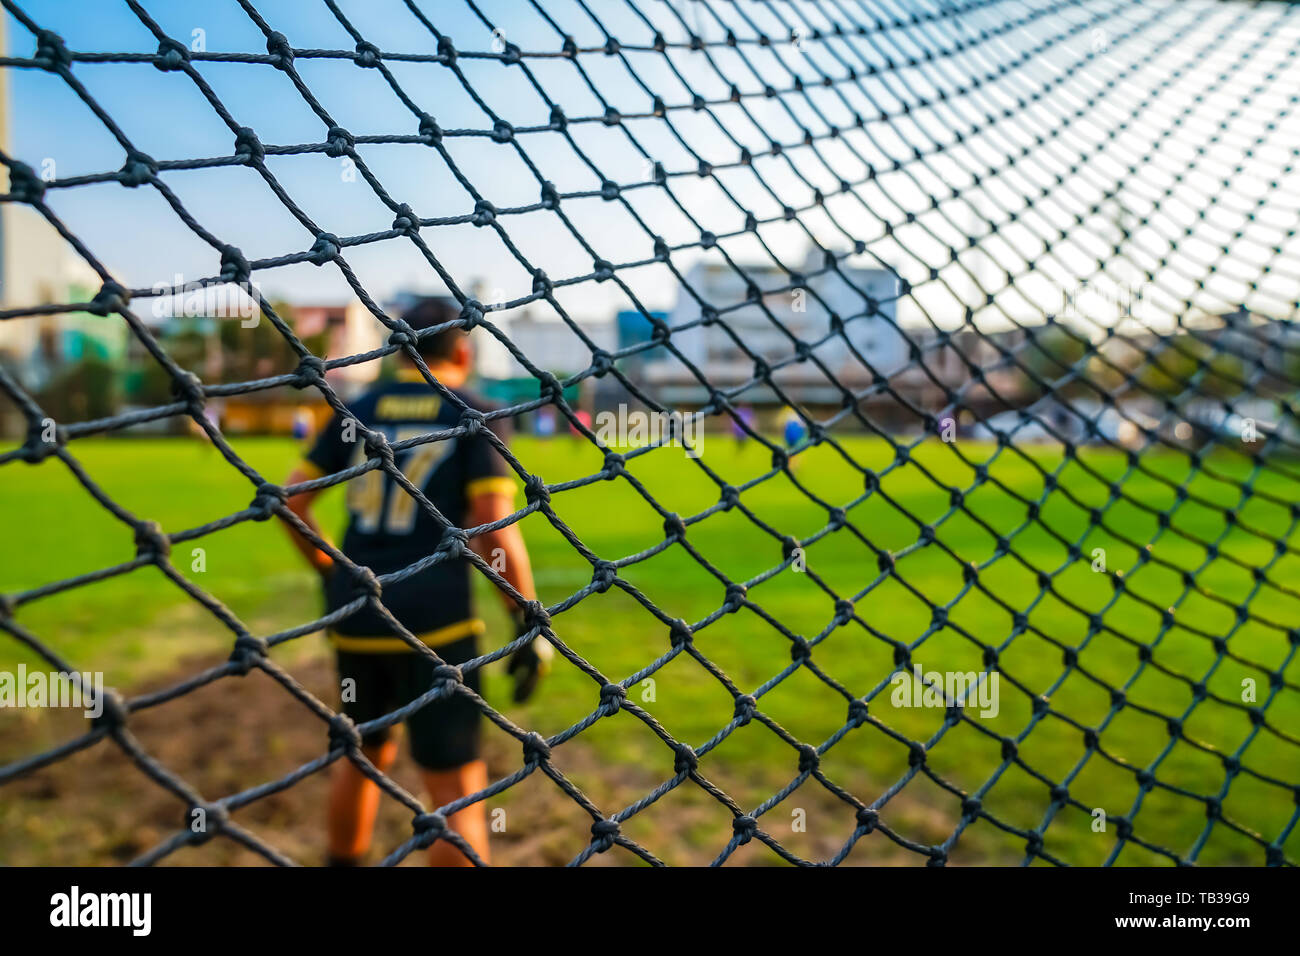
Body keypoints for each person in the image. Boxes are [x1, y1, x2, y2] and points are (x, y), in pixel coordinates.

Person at [280, 296, 549, 867]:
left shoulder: (358, 406)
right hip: (438, 624)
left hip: (358, 613)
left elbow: (292, 500)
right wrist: (527, 617)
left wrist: (333, 571)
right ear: (462, 346)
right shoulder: (473, 411)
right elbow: (490, 530)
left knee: (361, 753)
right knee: (455, 787)